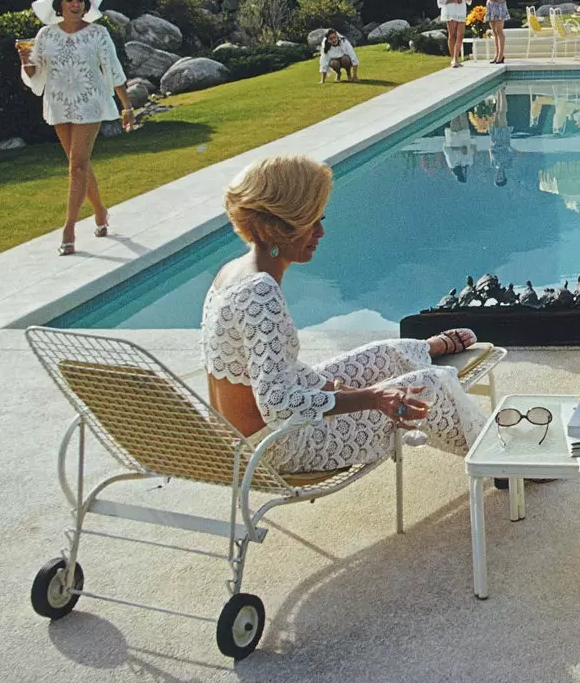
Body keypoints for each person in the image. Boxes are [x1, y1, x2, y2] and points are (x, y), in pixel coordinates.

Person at [201, 154, 487, 472]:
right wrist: (374, 397)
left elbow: (274, 371)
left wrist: (337, 388)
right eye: (313, 221)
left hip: (249, 437)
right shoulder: (260, 291)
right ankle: (499, 459)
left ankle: (425, 348)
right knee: (430, 384)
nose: (321, 233)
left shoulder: (233, 272)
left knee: (383, 354)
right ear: (283, 225)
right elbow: (277, 403)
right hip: (277, 447)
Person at [17, 0, 134, 256]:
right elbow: (37, 76)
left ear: (86, 4)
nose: (75, 4)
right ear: (59, 4)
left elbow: (114, 71)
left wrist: (127, 106)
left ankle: (69, 228)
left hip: (90, 103)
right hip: (58, 104)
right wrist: (26, 63)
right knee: (78, 164)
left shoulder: (98, 34)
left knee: (77, 165)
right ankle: (100, 211)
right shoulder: (45, 35)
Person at [437, 0, 472, 69]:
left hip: (461, 12)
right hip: (450, 12)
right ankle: (453, 59)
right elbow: (440, 1)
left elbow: (468, 0)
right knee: (452, 35)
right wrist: (453, 0)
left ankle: (456, 57)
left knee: (460, 35)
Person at [442, 113, 475, 183]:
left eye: (463, 175)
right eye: (465, 175)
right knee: (463, 113)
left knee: (455, 114)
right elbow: (472, 150)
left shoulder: (452, 164)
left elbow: (446, 149)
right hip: (465, 136)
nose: (464, 173)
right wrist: (468, 149)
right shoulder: (469, 162)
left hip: (455, 136)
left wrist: (459, 149)